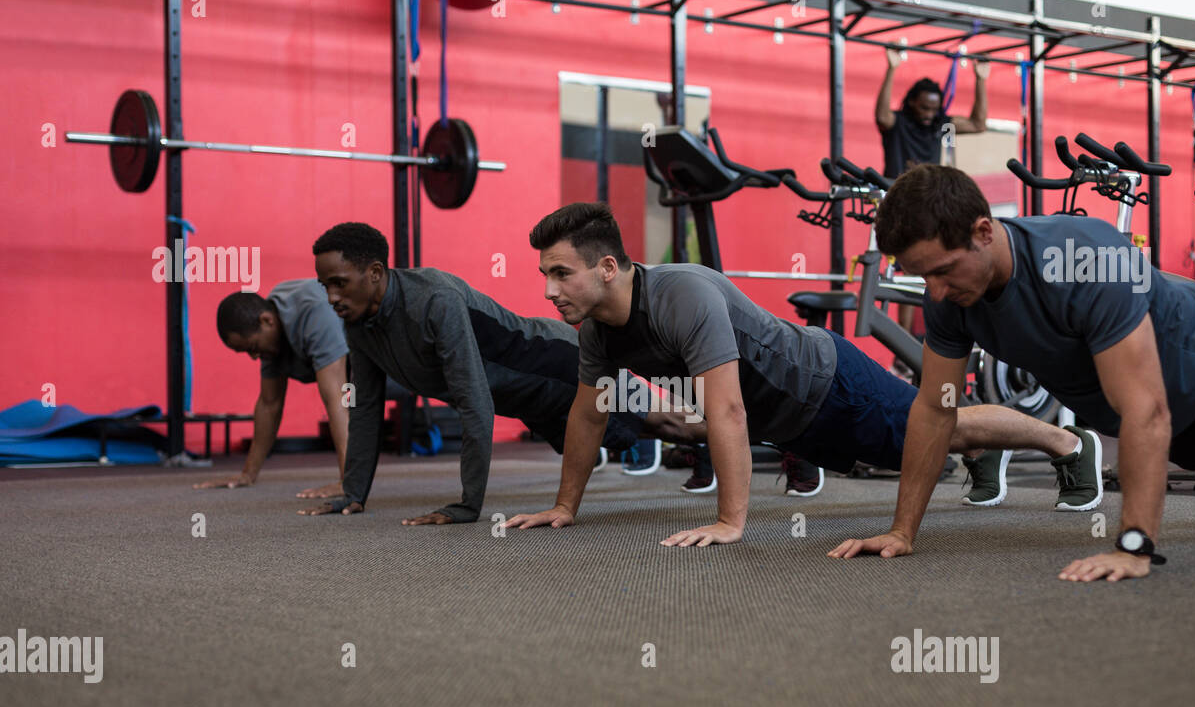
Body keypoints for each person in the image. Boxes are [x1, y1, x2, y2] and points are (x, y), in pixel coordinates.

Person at [505, 203, 1097, 547]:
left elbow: (727, 411)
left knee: (946, 427)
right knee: (928, 442)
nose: (549, 290)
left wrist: (731, 522)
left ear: (607, 267)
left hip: (830, 382)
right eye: (545, 274)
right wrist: (565, 506)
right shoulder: (599, 330)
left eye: (561, 273)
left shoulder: (680, 295)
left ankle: (1070, 443)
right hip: (792, 422)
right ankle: (984, 457)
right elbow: (589, 411)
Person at [835, 164, 1195, 582]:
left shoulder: (1084, 258)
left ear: (982, 232)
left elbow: (1145, 406)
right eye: (923, 277)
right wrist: (901, 531)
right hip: (1166, 407)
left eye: (942, 271)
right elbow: (937, 408)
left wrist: (1133, 546)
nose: (934, 292)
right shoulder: (950, 299)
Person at [298, 222, 704, 525]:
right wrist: (353, 492)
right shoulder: (359, 324)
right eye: (324, 286)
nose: (331, 297)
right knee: (633, 429)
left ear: (373, 272)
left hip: (557, 359)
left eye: (339, 283)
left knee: (669, 422)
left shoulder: (434, 299)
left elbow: (474, 400)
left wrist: (467, 504)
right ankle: (715, 443)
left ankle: (751, 430)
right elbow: (366, 407)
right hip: (524, 397)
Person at [876, 46, 989, 375]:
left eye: (933, 108)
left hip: (929, 204)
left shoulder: (939, 125)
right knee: (901, 272)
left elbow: (979, 123)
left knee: (926, 271)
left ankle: (918, 348)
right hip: (899, 203)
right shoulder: (897, 123)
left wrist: (980, 79)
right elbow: (882, 114)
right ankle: (903, 347)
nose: (928, 113)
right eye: (924, 107)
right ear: (912, 102)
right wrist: (891, 69)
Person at [196, 282, 352, 499]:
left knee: (346, 397)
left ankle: (352, 479)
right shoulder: (271, 333)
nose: (254, 356)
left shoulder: (313, 312)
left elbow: (337, 397)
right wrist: (247, 474)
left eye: (252, 348)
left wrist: (349, 483)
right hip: (356, 373)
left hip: (387, 362)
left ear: (266, 321)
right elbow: (270, 404)